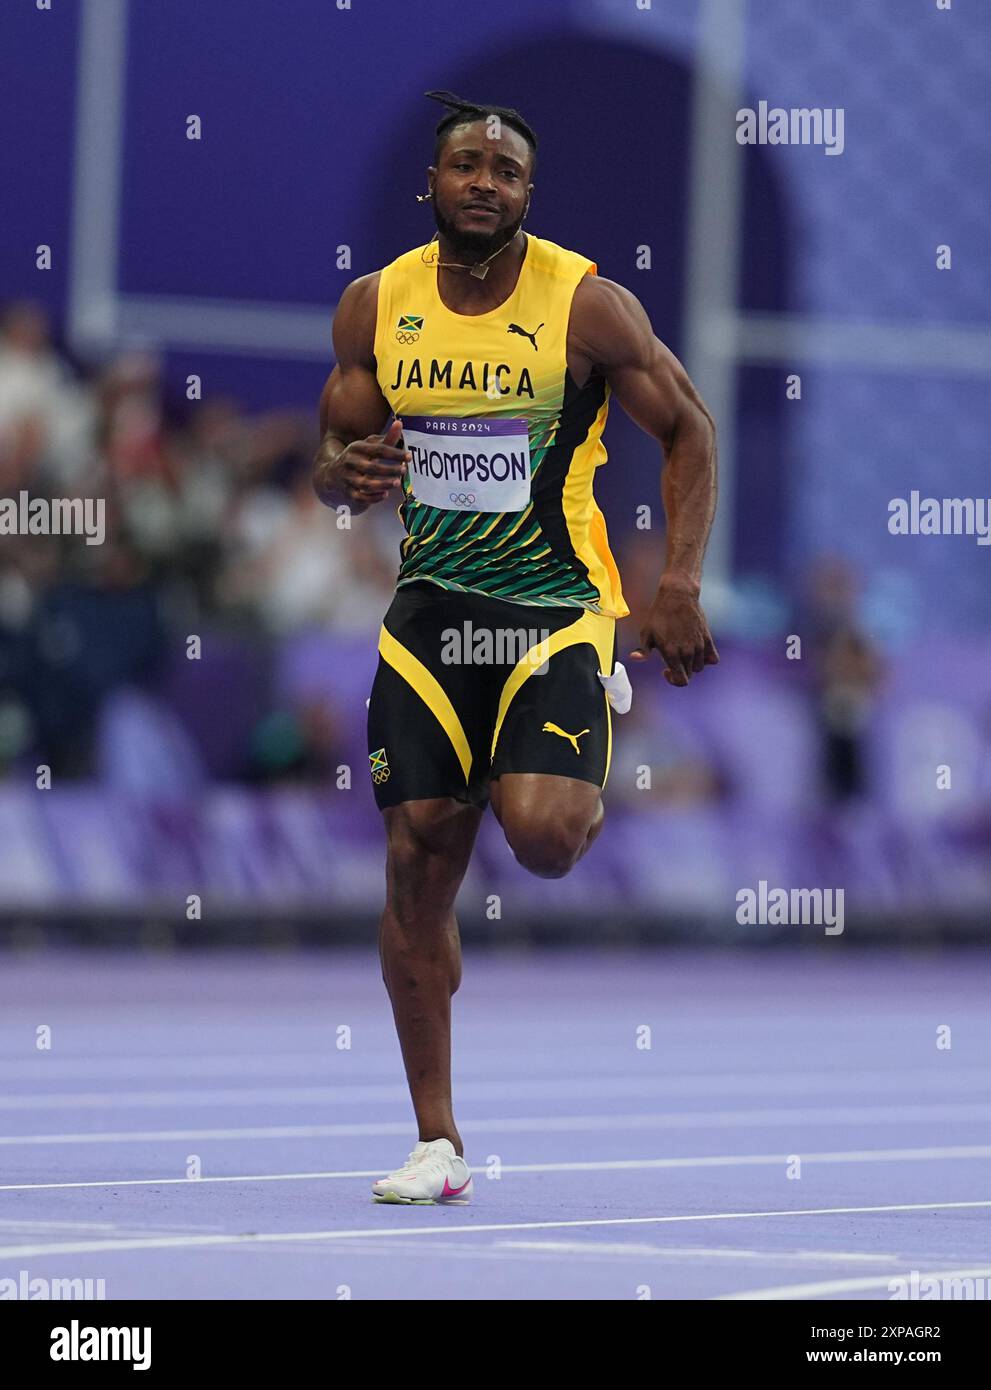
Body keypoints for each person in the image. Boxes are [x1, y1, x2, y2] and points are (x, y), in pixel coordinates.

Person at [313, 91, 718, 1203]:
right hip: (430, 612)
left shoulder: (585, 305)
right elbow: (335, 453)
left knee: (540, 839)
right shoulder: (373, 304)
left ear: (528, 196)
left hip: (554, 607)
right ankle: (436, 1140)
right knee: (414, 862)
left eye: (505, 169)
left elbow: (689, 428)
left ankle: (558, 742)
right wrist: (338, 477)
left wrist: (675, 579)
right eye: (464, 163)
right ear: (431, 183)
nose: (483, 180)